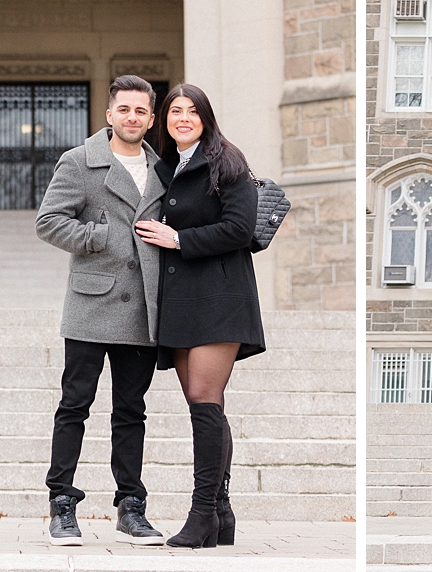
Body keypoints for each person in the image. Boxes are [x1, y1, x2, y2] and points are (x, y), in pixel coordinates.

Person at [35, 75, 168, 548]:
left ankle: (131, 508)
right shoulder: (79, 161)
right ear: (109, 114)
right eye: (124, 109)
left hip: (143, 310)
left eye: (141, 111)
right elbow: (48, 222)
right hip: (92, 303)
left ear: (151, 120)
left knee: (132, 411)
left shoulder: (164, 169)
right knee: (75, 406)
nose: (132, 117)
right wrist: (97, 237)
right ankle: (62, 506)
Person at [135, 84, 265, 548]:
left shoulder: (227, 162)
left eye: (192, 111)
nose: (183, 117)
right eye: (175, 111)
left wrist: (178, 240)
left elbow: (238, 228)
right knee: (202, 404)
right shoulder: (165, 166)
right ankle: (222, 514)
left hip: (221, 294)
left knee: (204, 397)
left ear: (206, 118)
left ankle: (202, 513)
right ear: (165, 119)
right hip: (182, 300)